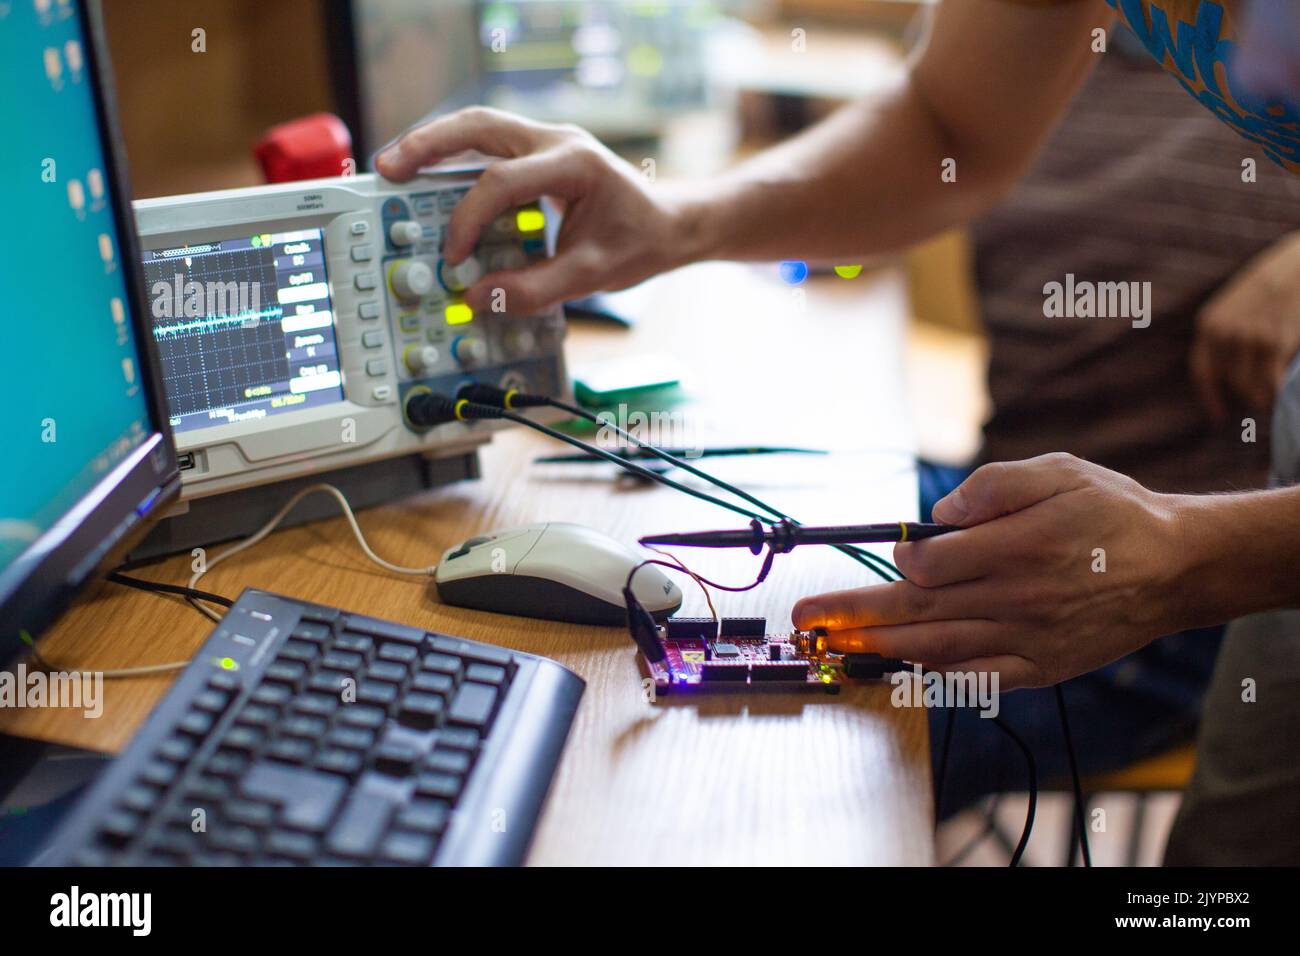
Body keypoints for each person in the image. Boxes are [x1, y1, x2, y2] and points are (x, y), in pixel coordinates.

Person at [376, 0, 1300, 861]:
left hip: (1237, 558)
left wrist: (1187, 558)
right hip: (1093, 502)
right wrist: (678, 220)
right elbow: (951, 128)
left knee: (775, 775)